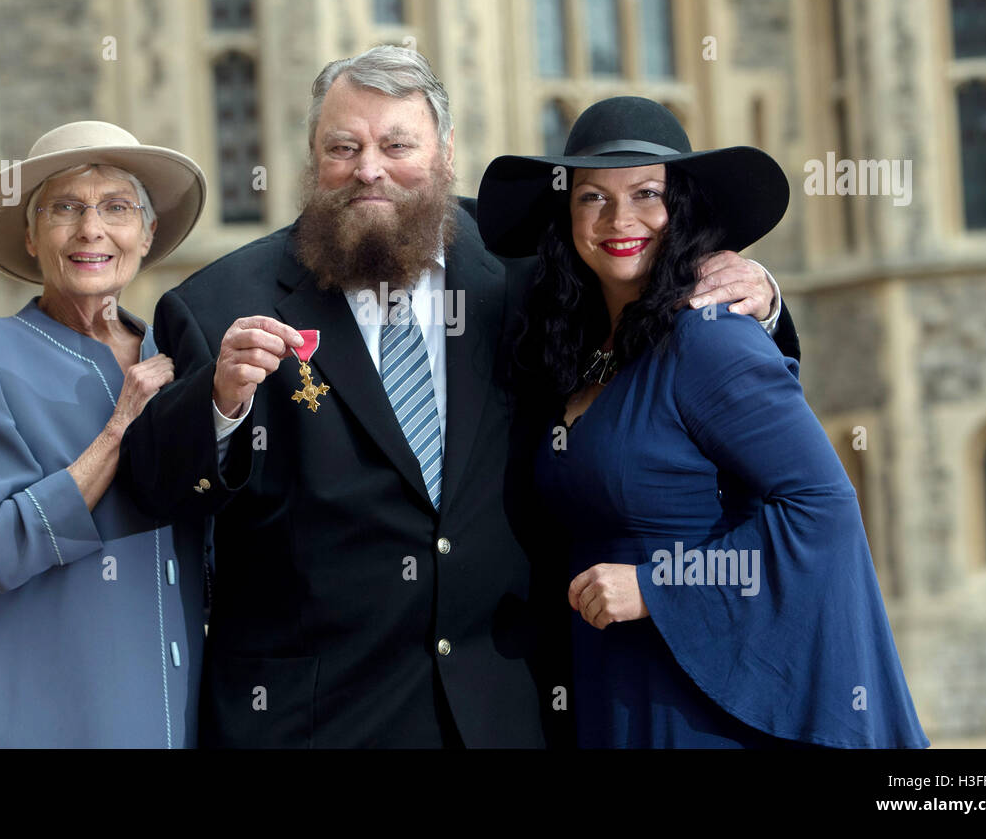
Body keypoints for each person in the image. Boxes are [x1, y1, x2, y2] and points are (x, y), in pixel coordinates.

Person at [119, 46, 782, 748]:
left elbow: (653, 313)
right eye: (343, 146)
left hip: (511, 711)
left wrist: (760, 297)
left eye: (397, 144)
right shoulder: (217, 302)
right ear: (314, 158)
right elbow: (158, 489)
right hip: (312, 724)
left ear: (445, 153)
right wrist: (221, 405)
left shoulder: (530, 267)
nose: (369, 168)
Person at [477, 96, 929, 748]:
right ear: (565, 212)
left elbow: (822, 505)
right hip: (608, 686)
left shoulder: (709, 338)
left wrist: (658, 588)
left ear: (680, 207)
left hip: (702, 700)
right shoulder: (570, 347)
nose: (618, 219)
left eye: (646, 194)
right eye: (591, 197)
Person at [0, 120, 207, 747]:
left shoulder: (185, 359)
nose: (91, 230)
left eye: (116, 207)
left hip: (178, 719)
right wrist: (120, 429)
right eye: (65, 209)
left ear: (147, 231)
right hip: (40, 719)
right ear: (31, 236)